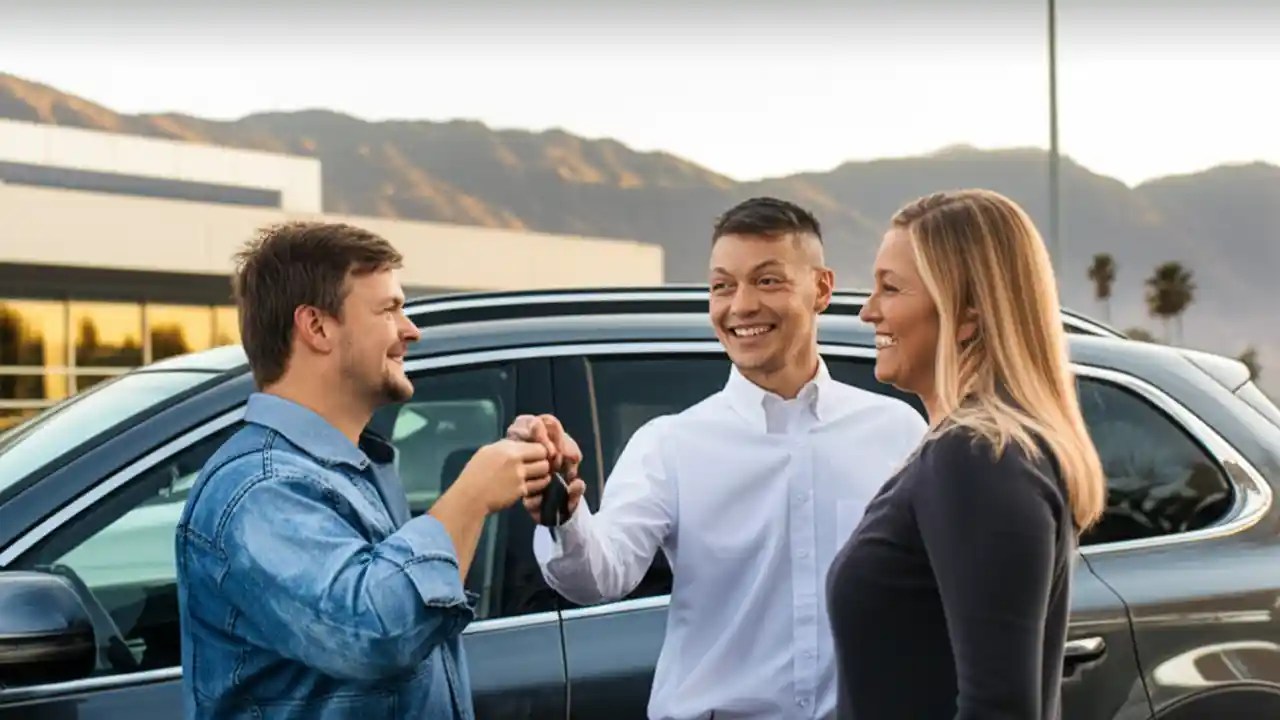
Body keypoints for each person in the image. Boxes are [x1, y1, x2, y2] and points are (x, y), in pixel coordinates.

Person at [508, 197, 929, 720]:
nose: (741, 305)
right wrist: (564, 513)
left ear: (821, 288)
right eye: (722, 286)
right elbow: (597, 578)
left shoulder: (899, 433)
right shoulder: (670, 445)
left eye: (768, 281)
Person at [174, 222, 552, 720]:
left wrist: (515, 460)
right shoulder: (260, 490)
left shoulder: (352, 471)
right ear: (317, 327)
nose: (410, 330)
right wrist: (473, 494)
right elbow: (375, 632)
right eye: (389, 309)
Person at [827, 189, 1108, 719]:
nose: (868, 311)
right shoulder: (977, 452)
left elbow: (999, 709)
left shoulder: (979, 458)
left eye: (890, 288)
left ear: (967, 315)